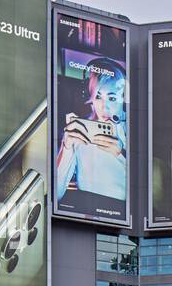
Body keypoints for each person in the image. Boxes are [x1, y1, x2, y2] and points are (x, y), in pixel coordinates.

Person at [54, 56, 127, 203]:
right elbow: (55, 195)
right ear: (90, 97)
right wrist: (66, 148)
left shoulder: (136, 131)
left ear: (124, 100)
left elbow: (148, 195)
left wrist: (122, 155)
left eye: (112, 98)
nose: (103, 107)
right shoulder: (80, 130)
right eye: (98, 97)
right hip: (87, 211)